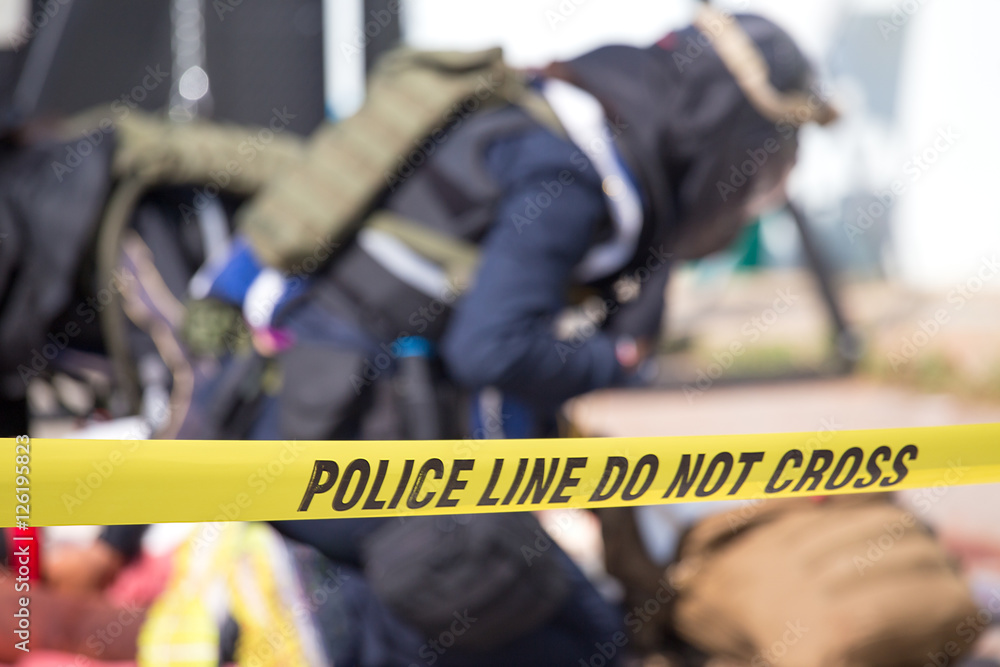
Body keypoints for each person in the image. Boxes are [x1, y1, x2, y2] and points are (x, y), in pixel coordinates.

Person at [20, 8, 836, 666]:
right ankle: (313, 621)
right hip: (350, 456)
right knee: (580, 638)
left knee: (546, 610)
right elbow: (491, 348)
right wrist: (613, 358)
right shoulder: (566, 178)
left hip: (322, 434)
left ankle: (312, 607)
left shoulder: (543, 119)